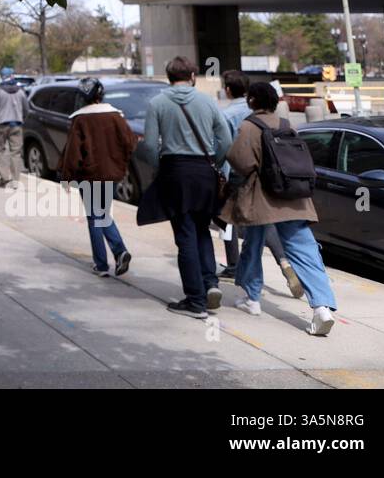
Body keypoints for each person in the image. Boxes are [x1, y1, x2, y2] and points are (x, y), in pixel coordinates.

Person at [223, 82, 338, 336]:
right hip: (295, 199)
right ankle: (322, 308)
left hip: (262, 199)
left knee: (252, 244)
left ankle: (252, 298)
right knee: (305, 251)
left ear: (252, 101)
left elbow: (240, 162)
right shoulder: (288, 125)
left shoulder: (249, 126)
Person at [136, 56, 232, 318]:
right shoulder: (207, 101)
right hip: (205, 172)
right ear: (192, 76)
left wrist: (159, 167)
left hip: (175, 172)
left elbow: (148, 146)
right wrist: (215, 161)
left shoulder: (157, 103)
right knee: (202, 230)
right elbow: (225, 137)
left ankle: (195, 300)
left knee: (185, 236)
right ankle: (210, 283)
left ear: (168, 77)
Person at [218, 70, 304, 298]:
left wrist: (224, 178)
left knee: (229, 223)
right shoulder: (265, 114)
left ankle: (235, 268)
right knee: (266, 223)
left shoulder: (228, 116)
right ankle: (284, 261)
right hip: (270, 178)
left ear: (228, 90)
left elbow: (228, 151)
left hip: (241, 178)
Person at [58, 78, 135, 278]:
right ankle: (118, 253)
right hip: (112, 174)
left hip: (89, 175)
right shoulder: (115, 115)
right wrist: (121, 164)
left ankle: (105, 261)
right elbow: (130, 142)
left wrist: (66, 177)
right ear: (100, 94)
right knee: (102, 214)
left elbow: (72, 152)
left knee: (95, 217)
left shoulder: (80, 119)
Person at [0, 67, 28, 189]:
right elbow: (26, 109)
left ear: (2, 76)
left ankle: (5, 179)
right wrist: (21, 118)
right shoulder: (21, 90)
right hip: (16, 124)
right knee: (15, 153)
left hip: (1, 124)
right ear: (12, 76)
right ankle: (16, 181)